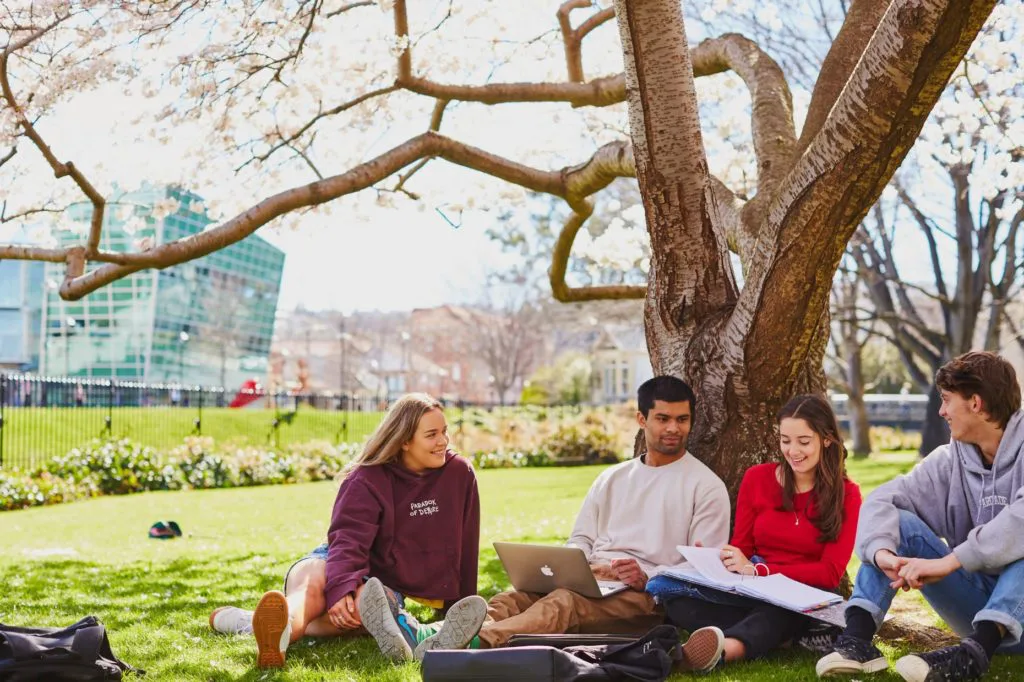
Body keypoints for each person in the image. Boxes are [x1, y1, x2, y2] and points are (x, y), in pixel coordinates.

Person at [362, 375, 732, 670]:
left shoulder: (705, 486)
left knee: (563, 603)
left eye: (682, 420)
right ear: (642, 419)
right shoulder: (613, 478)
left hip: (646, 599)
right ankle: (428, 633)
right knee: (516, 597)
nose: (673, 428)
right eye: (663, 418)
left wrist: (649, 577)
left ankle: (471, 643)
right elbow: (581, 537)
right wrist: (579, 566)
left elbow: (703, 571)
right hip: (594, 579)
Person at [209, 392, 486, 667]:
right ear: (404, 440)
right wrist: (341, 587)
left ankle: (256, 624)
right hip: (336, 559)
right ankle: (276, 631)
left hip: (381, 584)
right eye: (432, 434)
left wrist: (459, 611)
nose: (443, 442)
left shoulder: (458, 473)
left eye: (444, 432)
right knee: (310, 589)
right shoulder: (367, 478)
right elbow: (347, 539)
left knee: (364, 608)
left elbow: (466, 542)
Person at [816, 351, 1024, 681]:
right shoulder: (952, 460)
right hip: (977, 606)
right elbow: (883, 499)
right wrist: (883, 554)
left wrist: (950, 562)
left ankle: (973, 656)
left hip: (1016, 615)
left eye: (946, 400)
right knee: (896, 523)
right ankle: (856, 641)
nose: (941, 411)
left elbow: (1019, 522)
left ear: (975, 403)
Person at [647, 393, 862, 671]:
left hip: (805, 594)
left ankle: (725, 650)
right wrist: (716, 560)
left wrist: (763, 571)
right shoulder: (757, 478)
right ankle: (781, 636)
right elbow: (742, 548)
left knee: (780, 611)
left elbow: (830, 572)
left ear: (827, 439)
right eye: (785, 441)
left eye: (804, 442)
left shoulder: (847, 495)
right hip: (754, 588)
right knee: (678, 602)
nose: (793, 451)